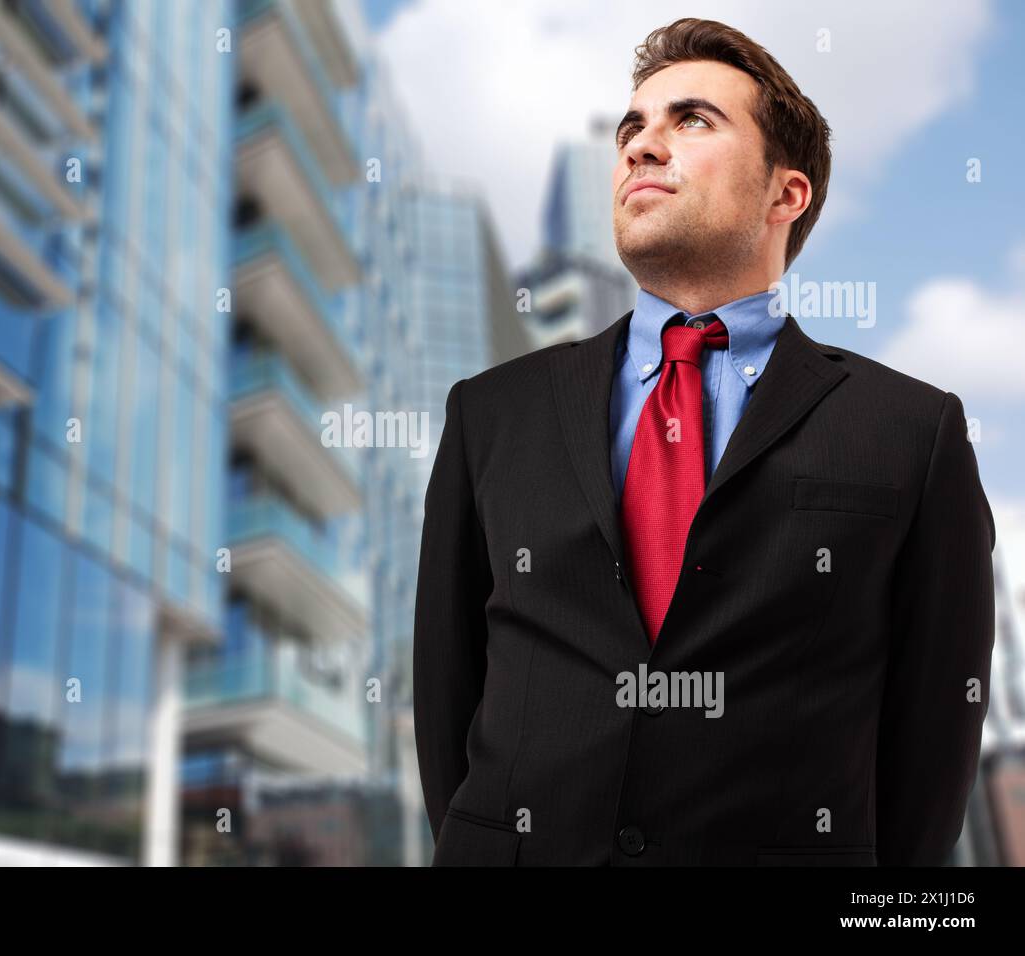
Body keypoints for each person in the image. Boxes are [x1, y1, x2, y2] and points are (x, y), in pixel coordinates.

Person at [413, 17, 996, 866]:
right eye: (632, 128)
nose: (643, 147)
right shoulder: (490, 413)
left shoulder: (913, 430)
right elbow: (447, 696)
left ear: (784, 195)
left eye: (690, 121)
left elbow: (932, 746)